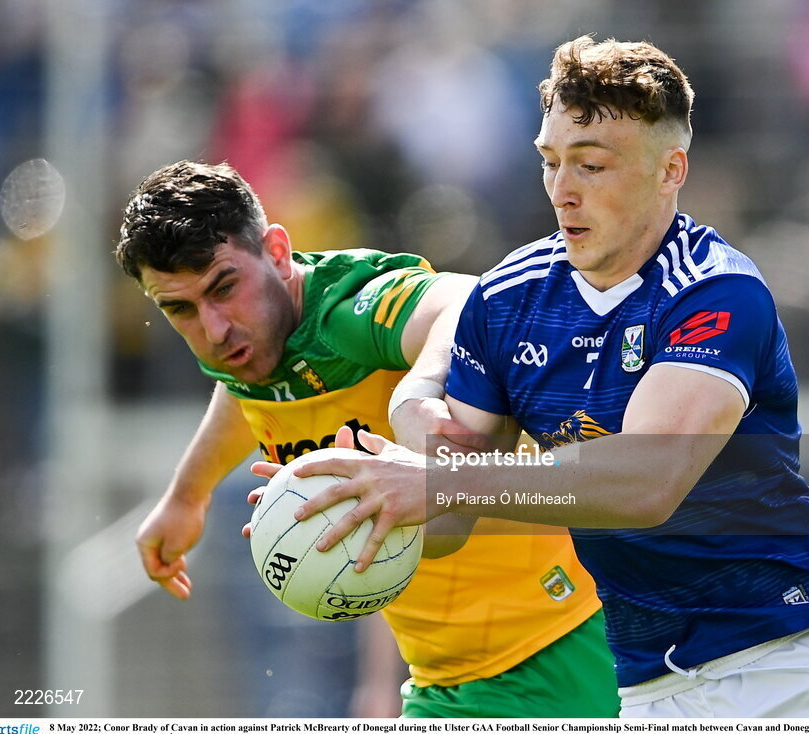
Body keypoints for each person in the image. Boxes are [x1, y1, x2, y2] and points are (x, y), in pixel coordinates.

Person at [284, 37, 809, 718]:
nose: (563, 189)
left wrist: (435, 480)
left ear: (670, 169)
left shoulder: (716, 293)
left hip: (794, 669)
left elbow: (646, 482)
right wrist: (364, 497)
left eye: (591, 165)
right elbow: (454, 515)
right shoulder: (507, 300)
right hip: (646, 693)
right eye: (550, 162)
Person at [116, 160, 619, 718]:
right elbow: (243, 391)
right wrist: (188, 496)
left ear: (278, 255)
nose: (213, 329)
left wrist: (417, 393)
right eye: (179, 309)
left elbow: (467, 302)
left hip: (563, 640)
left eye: (224, 287)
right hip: (444, 676)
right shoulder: (252, 343)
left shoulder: (347, 312)